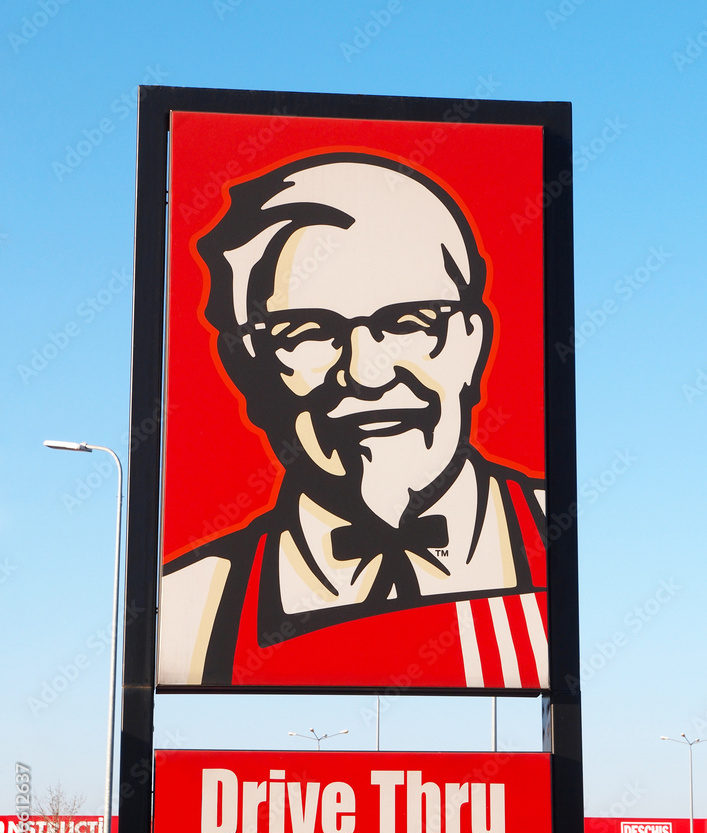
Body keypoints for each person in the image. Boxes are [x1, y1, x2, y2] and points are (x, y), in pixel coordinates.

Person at [157, 152, 547, 688]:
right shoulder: (188, 609)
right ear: (244, 366)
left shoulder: (565, 552)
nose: (366, 374)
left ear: (472, 343)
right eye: (307, 332)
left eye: (411, 321)